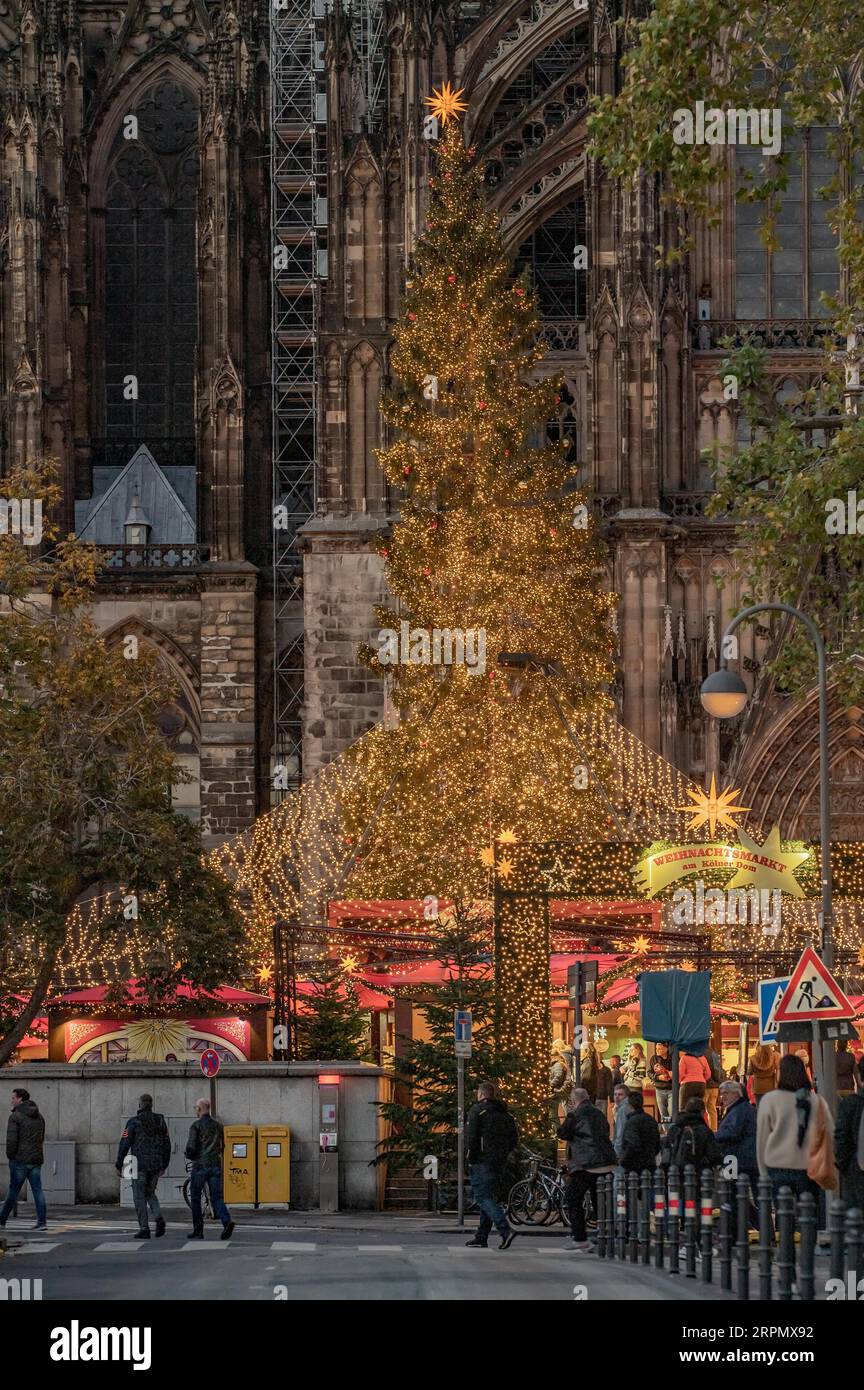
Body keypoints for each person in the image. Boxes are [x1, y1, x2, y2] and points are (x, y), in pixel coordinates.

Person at [757, 1053, 833, 1206]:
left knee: (784, 1217)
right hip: (808, 1166)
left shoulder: (770, 1100)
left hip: (777, 1165)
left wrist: (763, 1172)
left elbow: (761, 1139)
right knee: (809, 1214)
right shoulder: (817, 1101)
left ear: (781, 1073)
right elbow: (830, 1134)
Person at [557, 1086, 617, 1251]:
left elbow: (562, 1132)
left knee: (572, 1197)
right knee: (601, 1202)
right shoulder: (598, 1113)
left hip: (586, 1164)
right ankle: (604, 1236)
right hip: (606, 1162)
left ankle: (580, 1237)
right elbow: (605, 1130)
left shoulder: (575, 1115)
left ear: (573, 1100)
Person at [465, 1081, 517, 1249]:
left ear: (481, 1095)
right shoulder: (505, 1114)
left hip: (482, 1160)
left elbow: (471, 1137)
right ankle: (481, 1236)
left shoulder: (477, 1111)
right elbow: (513, 1138)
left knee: (482, 1197)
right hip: (499, 1161)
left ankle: (505, 1229)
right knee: (487, 1196)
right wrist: (503, 1153)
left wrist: (470, 1157)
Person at [115, 1093, 171, 1239]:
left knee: (139, 1196)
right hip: (156, 1165)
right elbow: (167, 1144)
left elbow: (124, 1143)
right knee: (150, 1193)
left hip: (138, 1164)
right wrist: (164, 1164)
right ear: (151, 1105)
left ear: (140, 1105)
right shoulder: (160, 1121)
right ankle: (158, 1216)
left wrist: (119, 1164)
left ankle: (144, 1229)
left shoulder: (133, 1122)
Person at [185, 1097, 235, 1240]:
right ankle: (226, 1221)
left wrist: (189, 1155)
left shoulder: (196, 1125)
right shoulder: (218, 1126)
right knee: (217, 1197)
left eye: (196, 1108)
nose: (195, 1110)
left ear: (200, 1109)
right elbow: (222, 1146)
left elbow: (191, 1147)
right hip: (215, 1165)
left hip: (200, 1166)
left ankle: (198, 1231)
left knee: (195, 1198)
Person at [0, 1088, 47, 1231]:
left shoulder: (15, 1117)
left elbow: (12, 1140)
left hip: (19, 1160)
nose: (12, 1100)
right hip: (35, 1159)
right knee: (38, 1190)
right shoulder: (39, 1117)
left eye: (13, 1098)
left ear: (20, 1099)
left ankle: (2, 1220)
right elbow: (41, 1138)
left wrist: (11, 1156)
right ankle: (42, 1222)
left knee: (13, 1191)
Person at [717, 1081, 760, 1227]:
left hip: (736, 1159)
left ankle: (739, 1228)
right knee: (737, 1196)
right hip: (740, 1158)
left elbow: (733, 1132)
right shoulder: (739, 1109)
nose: (722, 1097)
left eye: (726, 1093)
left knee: (733, 1194)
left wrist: (715, 1135)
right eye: (721, 1094)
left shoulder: (739, 1110)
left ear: (736, 1093)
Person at [834, 1055, 864, 1211]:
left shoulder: (851, 1104)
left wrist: (842, 1166)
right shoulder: (850, 1058)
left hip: (855, 1171)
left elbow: (841, 1138)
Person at [619, 1092, 661, 1176]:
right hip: (650, 1163)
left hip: (634, 1166)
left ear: (630, 1106)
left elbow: (632, 1144)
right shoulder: (651, 1120)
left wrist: (623, 1160)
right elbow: (657, 1144)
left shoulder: (631, 1122)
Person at [648, 1043, 673, 1124]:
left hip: (672, 1089)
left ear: (666, 1049)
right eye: (656, 1048)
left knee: (672, 1112)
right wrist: (658, 1077)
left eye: (660, 1049)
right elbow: (649, 1073)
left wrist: (670, 1074)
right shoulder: (654, 1058)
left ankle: (673, 1132)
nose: (657, 1050)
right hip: (659, 1089)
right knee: (663, 1113)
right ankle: (667, 1132)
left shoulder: (673, 1057)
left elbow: (678, 1072)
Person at [704, 1045, 724, 1130]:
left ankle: (704, 1130)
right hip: (715, 1086)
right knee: (712, 1110)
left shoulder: (700, 1053)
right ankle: (714, 1130)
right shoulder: (714, 1053)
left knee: (702, 1109)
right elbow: (718, 1070)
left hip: (706, 1085)